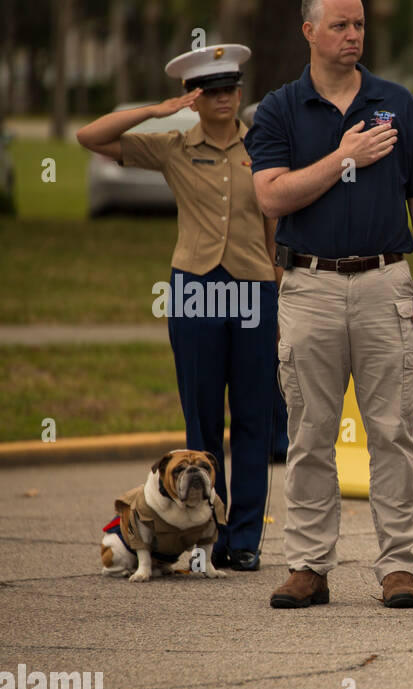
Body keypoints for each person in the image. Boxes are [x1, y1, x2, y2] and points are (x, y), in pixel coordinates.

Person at [245, 0, 413, 610]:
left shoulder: (398, 104)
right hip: (309, 286)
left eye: (359, 24)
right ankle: (308, 566)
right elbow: (271, 198)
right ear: (309, 31)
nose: (353, 35)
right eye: (340, 25)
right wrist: (345, 158)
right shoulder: (280, 108)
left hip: (385, 282)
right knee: (309, 433)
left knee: (392, 431)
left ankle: (399, 568)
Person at [76, 45, 278, 574]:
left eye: (230, 88)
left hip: (255, 289)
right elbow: (89, 137)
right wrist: (156, 111)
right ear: (194, 97)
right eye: (210, 91)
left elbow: (277, 212)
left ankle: (247, 539)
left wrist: (280, 276)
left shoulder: (264, 143)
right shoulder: (173, 146)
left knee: (255, 418)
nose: (223, 98)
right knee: (202, 420)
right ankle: (206, 535)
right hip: (195, 292)